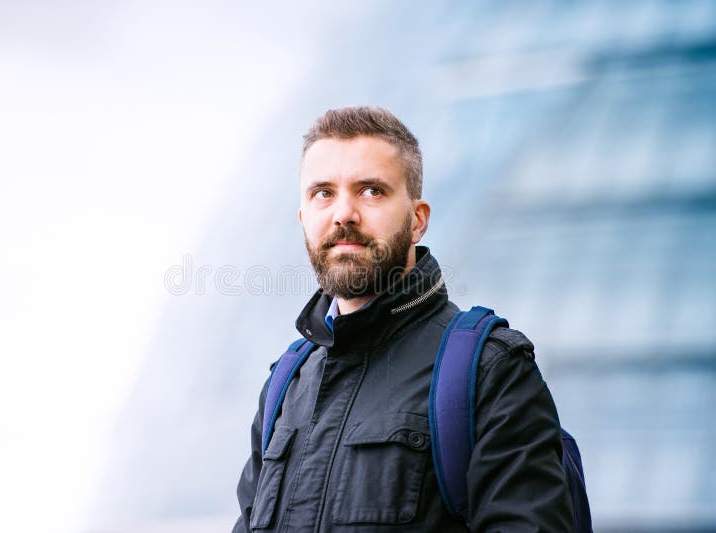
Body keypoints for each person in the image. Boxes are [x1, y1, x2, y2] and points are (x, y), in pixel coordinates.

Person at [233, 106, 574, 532]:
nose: (343, 214)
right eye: (323, 193)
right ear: (304, 218)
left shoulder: (490, 372)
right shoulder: (285, 387)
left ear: (417, 220)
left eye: (371, 191)